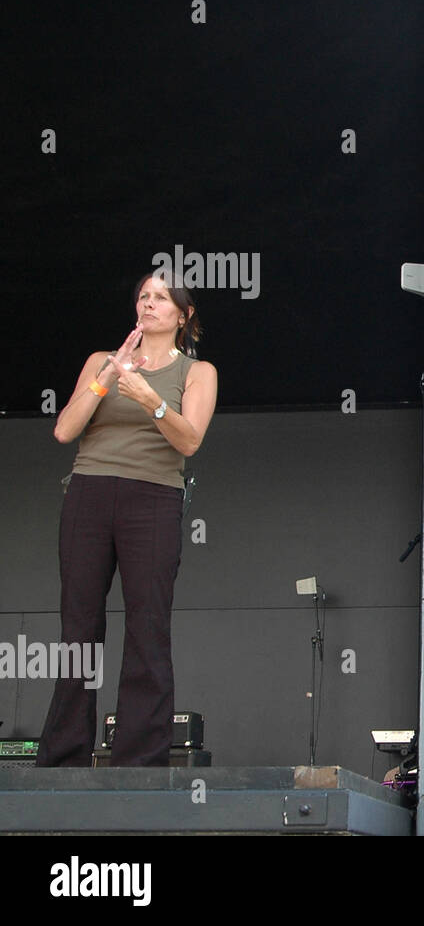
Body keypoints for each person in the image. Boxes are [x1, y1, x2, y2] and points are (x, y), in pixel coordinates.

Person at [36, 271, 218, 767]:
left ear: (183, 315)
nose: (149, 303)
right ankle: (64, 757)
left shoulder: (197, 373)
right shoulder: (102, 361)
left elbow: (189, 441)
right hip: (89, 493)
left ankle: (139, 762)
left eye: (161, 297)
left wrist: (148, 397)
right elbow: (64, 430)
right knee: (78, 626)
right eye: (143, 295)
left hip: (154, 498)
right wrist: (108, 378)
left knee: (148, 625)